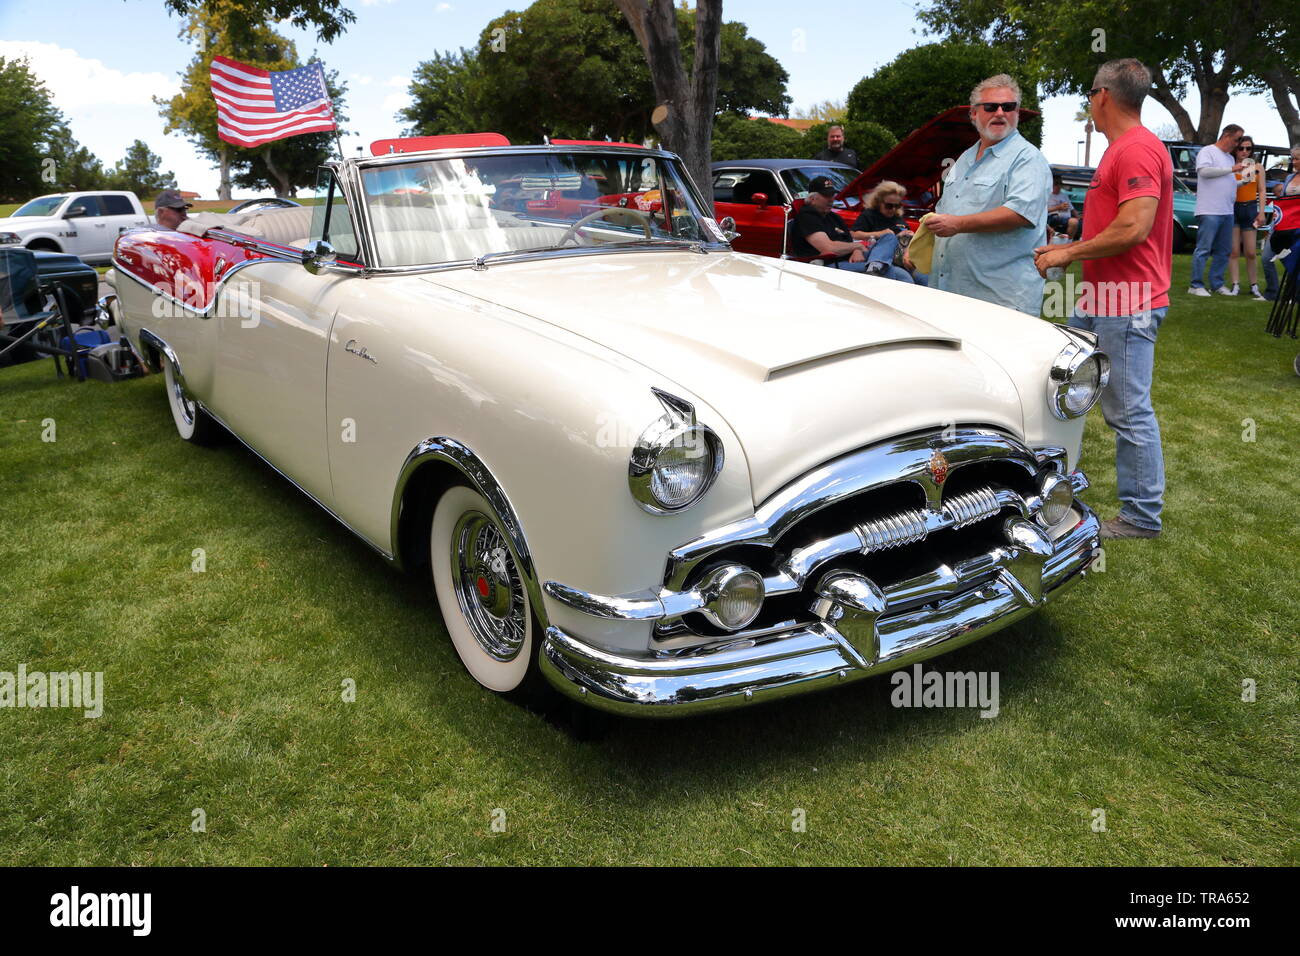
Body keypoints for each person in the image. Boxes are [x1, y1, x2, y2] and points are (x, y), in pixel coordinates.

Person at [1032, 58, 1173, 540]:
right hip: (1102, 297)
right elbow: (1115, 222)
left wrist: (1068, 251)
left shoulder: (1135, 149)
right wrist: (1071, 244)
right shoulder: (1123, 149)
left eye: (1090, 95)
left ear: (1103, 97)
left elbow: (1134, 227)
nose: (1090, 104)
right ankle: (1055, 491)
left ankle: (1140, 517)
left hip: (1127, 302)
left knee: (1128, 411)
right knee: (1069, 393)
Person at [912, 73, 1052, 315]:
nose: (1000, 112)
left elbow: (1019, 213)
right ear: (974, 114)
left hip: (1000, 300)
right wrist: (919, 240)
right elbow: (945, 210)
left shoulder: (1028, 159)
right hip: (951, 292)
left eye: (1008, 107)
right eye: (990, 106)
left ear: (1017, 113)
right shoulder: (964, 158)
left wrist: (958, 224)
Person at [791, 175, 913, 283]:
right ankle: (876, 274)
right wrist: (857, 247)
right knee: (896, 274)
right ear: (812, 198)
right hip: (827, 265)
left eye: (832, 194)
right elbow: (828, 248)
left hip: (850, 258)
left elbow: (851, 240)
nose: (831, 199)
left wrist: (856, 250)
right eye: (826, 195)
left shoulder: (834, 217)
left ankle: (875, 268)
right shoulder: (807, 216)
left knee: (889, 237)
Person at [1188, 124, 1245, 295]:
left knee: (1224, 250)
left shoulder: (1228, 158)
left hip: (1227, 211)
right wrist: (1231, 169)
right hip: (1209, 209)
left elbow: (1228, 181)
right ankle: (1195, 285)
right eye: (1236, 139)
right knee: (1204, 249)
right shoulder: (1208, 151)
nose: (1237, 144)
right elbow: (1204, 171)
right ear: (1226, 135)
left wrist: (1243, 182)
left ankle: (1217, 283)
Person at [850, 180, 928, 285]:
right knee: (906, 280)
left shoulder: (898, 218)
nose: (893, 209)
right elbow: (854, 234)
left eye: (897, 205)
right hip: (882, 260)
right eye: (889, 206)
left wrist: (909, 247)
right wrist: (881, 234)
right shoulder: (869, 215)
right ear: (879, 201)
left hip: (903, 259)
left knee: (925, 279)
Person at [1225, 135, 1267, 298]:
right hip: (1232, 207)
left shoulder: (1257, 166)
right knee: (1234, 251)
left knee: (1250, 251)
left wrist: (1261, 212)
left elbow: (1262, 190)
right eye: (1241, 148)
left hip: (1250, 208)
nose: (1244, 151)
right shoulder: (1230, 166)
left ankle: (1254, 285)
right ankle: (1235, 284)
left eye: (1248, 148)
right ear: (1236, 148)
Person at [1047, 174, 1079, 239]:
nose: (1059, 186)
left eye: (1060, 183)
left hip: (1066, 218)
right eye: (1056, 184)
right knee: (1073, 222)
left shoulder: (1064, 195)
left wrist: (1079, 217)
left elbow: (1072, 209)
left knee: (1081, 222)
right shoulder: (1047, 195)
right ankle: (1068, 243)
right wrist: (1058, 207)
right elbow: (1043, 211)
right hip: (1053, 218)